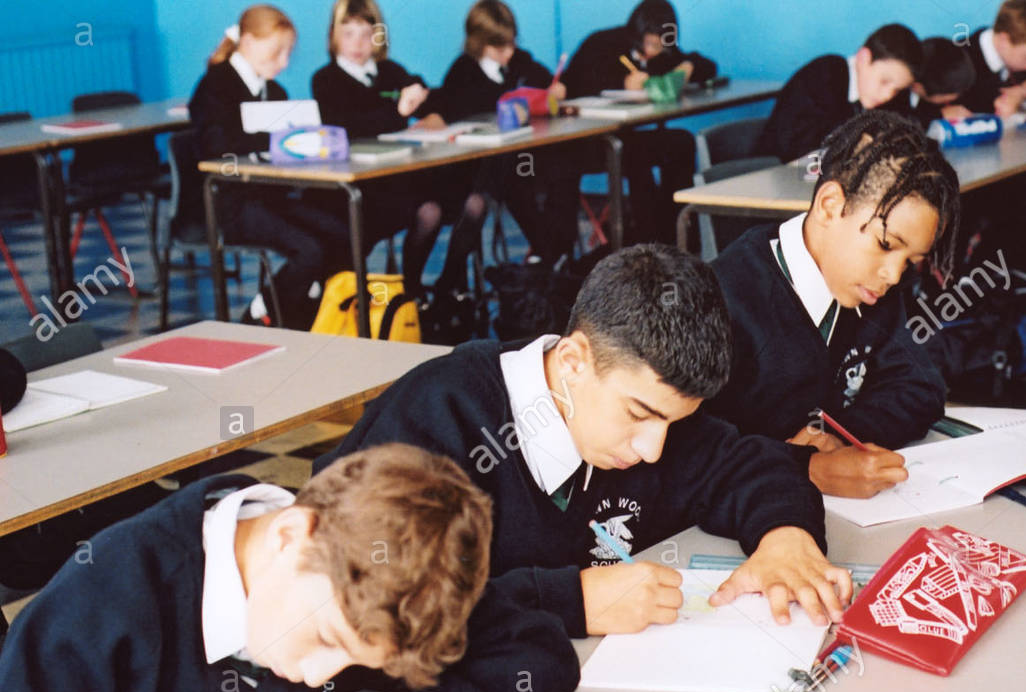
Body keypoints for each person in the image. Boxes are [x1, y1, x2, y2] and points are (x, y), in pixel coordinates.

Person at [0, 444, 581, 692]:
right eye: (328, 640)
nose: (319, 676)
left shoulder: (369, 579)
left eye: (359, 664)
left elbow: (533, 645)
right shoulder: (106, 601)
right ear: (288, 534)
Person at [316, 244, 854, 636]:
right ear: (573, 361)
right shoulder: (437, 420)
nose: (653, 449)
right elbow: (367, 600)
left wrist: (785, 535)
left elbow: (749, 464)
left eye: (672, 421)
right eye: (639, 414)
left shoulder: (648, 400)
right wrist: (571, 603)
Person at [708, 111, 959, 498]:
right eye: (886, 245)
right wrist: (805, 468)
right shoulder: (724, 300)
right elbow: (692, 451)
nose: (893, 275)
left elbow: (920, 386)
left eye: (909, 261)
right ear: (829, 206)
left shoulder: (869, 288)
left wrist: (837, 437)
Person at [188, 5, 350, 329]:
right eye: (277, 51)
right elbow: (217, 146)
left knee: (342, 234)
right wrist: (279, 138)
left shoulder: (274, 91)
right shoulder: (215, 85)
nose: (285, 62)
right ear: (247, 41)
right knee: (309, 251)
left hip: (269, 195)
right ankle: (260, 313)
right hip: (228, 202)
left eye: (288, 52)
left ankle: (308, 313)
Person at [311, 0, 462, 300]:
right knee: (417, 210)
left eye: (366, 35)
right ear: (333, 37)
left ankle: (414, 290)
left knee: (452, 200)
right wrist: (399, 111)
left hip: (394, 176)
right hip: (354, 184)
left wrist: (423, 100)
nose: (358, 43)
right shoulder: (325, 79)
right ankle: (342, 289)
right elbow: (347, 126)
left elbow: (423, 91)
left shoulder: (389, 72)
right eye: (348, 34)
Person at [563, 0, 718, 243]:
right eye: (650, 43)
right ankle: (647, 239)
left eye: (661, 46)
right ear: (636, 34)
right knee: (637, 157)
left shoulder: (664, 51)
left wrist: (687, 68)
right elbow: (571, 84)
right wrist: (621, 82)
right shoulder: (601, 44)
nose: (654, 52)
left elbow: (706, 65)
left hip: (628, 136)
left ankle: (678, 232)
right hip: (588, 141)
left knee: (681, 143)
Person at [437, 0, 576, 264]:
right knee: (514, 174)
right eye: (499, 47)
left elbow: (547, 81)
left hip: (523, 153)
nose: (509, 53)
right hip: (479, 166)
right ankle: (546, 250)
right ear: (478, 43)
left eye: (512, 43)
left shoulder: (520, 61)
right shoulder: (462, 71)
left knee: (564, 164)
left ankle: (556, 248)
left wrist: (556, 90)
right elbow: (457, 113)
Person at [755, 24, 922, 163]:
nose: (888, 95)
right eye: (884, 81)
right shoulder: (824, 75)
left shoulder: (891, 95)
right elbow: (796, 151)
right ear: (863, 58)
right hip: (775, 172)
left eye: (897, 89)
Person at [955, 0, 1026, 118]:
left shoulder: (1013, 57)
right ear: (1004, 41)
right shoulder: (957, 60)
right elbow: (975, 102)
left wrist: (1022, 92)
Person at [881, 37, 977, 128]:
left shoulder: (945, 81)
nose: (948, 103)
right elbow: (896, 125)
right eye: (945, 100)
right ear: (917, 87)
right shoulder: (889, 95)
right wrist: (939, 115)